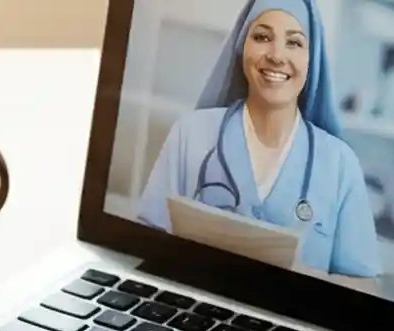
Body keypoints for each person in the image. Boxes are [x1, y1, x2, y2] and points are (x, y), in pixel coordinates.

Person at [137, 0, 380, 278]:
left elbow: (365, 286)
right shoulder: (190, 134)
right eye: (262, 37)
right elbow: (144, 243)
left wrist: (300, 279)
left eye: (294, 43)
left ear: (312, 59)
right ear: (241, 48)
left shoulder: (341, 165)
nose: (276, 55)